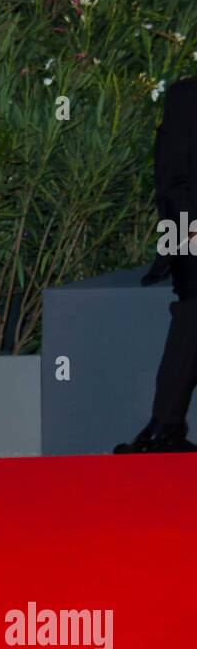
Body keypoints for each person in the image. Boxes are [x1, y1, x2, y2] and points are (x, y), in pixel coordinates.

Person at [115, 80, 197, 455]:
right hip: (192, 237)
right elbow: (171, 178)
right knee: (193, 318)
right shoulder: (187, 95)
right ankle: (164, 427)